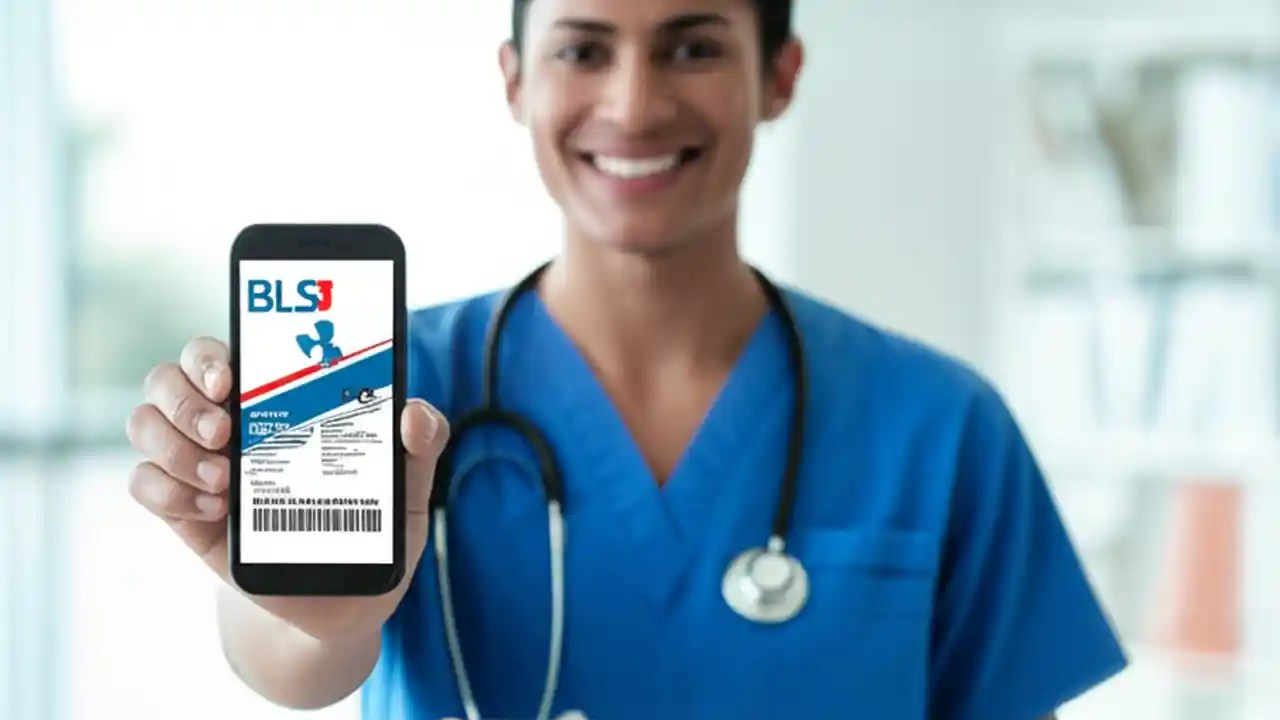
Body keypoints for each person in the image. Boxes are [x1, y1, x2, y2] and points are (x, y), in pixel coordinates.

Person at [124, 0, 1129, 717]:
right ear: (514, 80)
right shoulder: (392, 384)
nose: (635, 104)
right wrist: (312, 613)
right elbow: (292, 664)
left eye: (691, 45)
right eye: (581, 49)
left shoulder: (938, 425)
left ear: (777, 75)